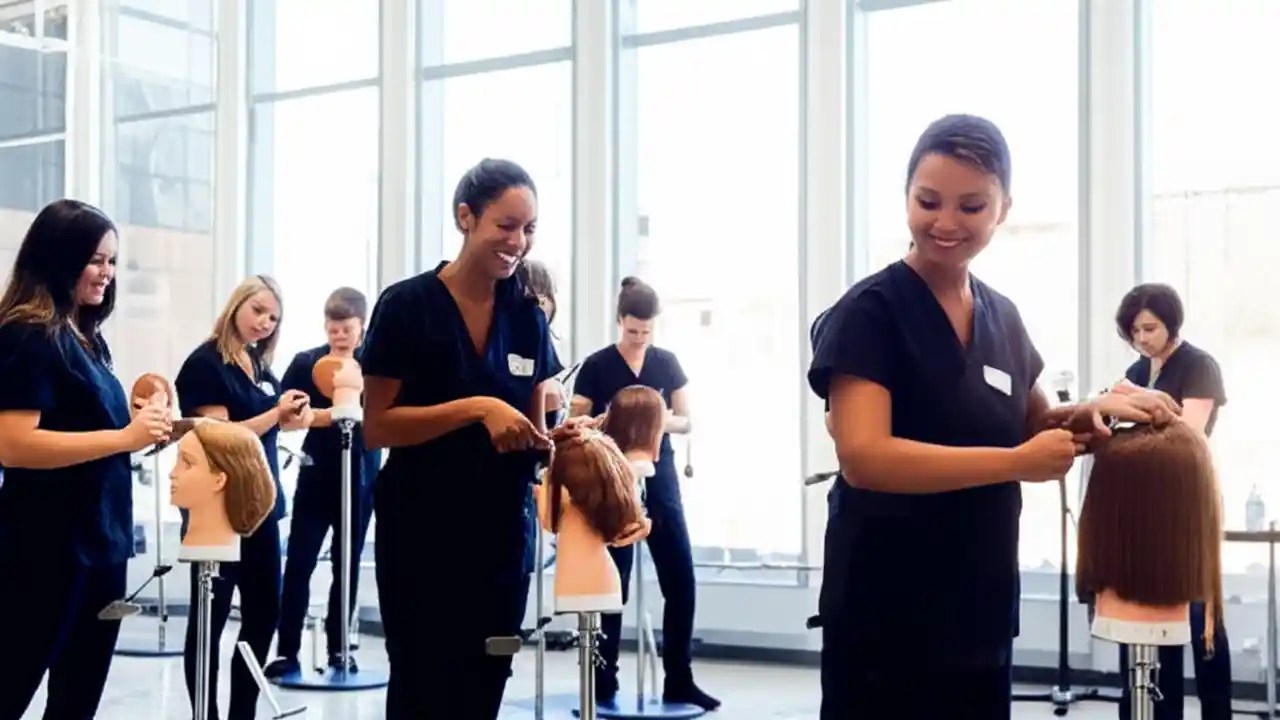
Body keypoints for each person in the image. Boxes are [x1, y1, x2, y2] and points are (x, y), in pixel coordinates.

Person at [808, 113, 1180, 719]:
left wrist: (1094, 411)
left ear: (1004, 208)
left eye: (972, 206)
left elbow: (1033, 427)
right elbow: (864, 456)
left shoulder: (1002, 316)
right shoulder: (870, 313)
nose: (945, 222)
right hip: (888, 611)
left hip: (978, 604)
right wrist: (1014, 463)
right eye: (928, 201)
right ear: (906, 196)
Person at [361, 157, 562, 719]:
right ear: (465, 217)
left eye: (529, 229)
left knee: (484, 686)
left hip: (500, 540)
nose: (518, 242)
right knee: (423, 686)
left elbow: (534, 434)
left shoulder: (527, 316)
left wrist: (564, 442)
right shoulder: (407, 306)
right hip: (422, 534)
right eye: (506, 225)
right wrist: (477, 408)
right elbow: (378, 425)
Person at [0, 199, 171, 719]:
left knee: (77, 700)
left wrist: (144, 430)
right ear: (59, 257)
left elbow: (97, 434)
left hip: (101, 546)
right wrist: (123, 439)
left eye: (112, 261)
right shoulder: (26, 336)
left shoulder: (88, 340)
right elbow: (14, 446)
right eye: (95, 259)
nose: (107, 273)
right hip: (45, 550)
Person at [570, 277, 719, 711]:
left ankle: (680, 678)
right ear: (620, 322)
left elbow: (685, 420)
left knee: (681, 579)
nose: (639, 339)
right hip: (612, 477)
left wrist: (649, 417)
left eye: (646, 332)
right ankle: (603, 682)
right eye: (632, 330)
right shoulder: (598, 366)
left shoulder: (666, 363)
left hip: (660, 477)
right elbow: (577, 419)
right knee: (613, 583)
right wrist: (615, 419)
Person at [175, 274, 312, 720]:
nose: (265, 323)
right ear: (236, 305)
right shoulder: (205, 364)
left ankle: (242, 714)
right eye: (258, 310)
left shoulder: (259, 367)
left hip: (262, 511)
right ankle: (205, 714)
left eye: (273, 317)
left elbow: (272, 425)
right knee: (209, 624)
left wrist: (315, 414)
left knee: (262, 616)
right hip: (218, 512)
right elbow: (220, 437)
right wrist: (275, 413)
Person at [1111, 282, 1230, 720]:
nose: (1141, 340)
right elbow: (1114, 420)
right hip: (1148, 506)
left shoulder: (1199, 366)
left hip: (1190, 502)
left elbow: (1188, 433)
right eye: (1133, 332)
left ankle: (1217, 713)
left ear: (1171, 324)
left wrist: (1135, 402)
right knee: (1154, 616)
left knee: (1202, 623)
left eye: (1149, 329)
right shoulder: (1140, 370)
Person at [265, 287, 382, 678]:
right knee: (298, 563)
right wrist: (320, 415)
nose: (339, 337)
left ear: (361, 327)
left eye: (346, 329)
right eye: (333, 330)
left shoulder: (375, 364)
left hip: (361, 480)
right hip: (316, 478)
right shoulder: (306, 362)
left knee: (346, 567)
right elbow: (281, 412)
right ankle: (287, 651)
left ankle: (338, 650)